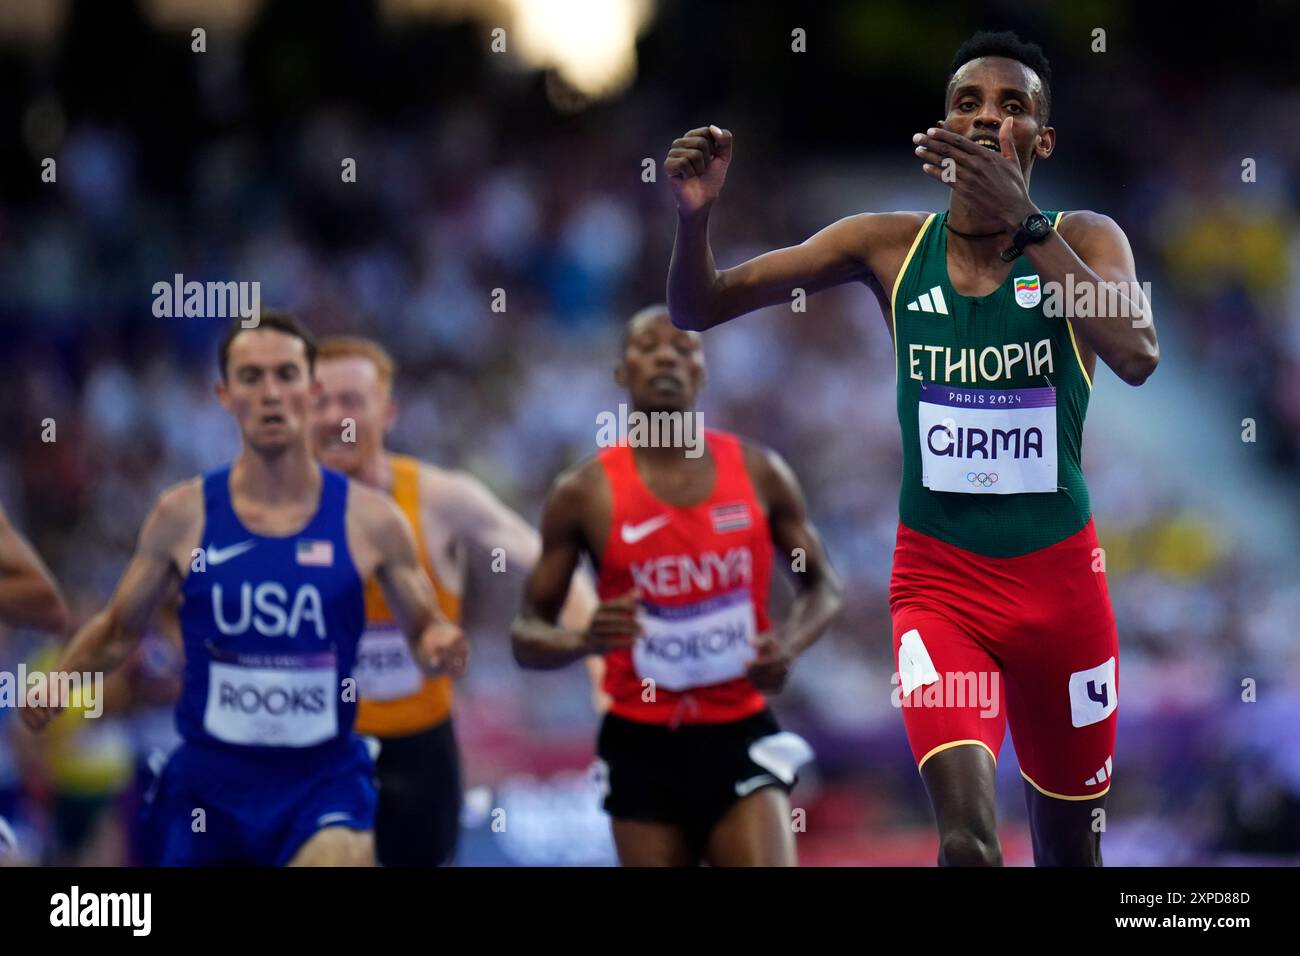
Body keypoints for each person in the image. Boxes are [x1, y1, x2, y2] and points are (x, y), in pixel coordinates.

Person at [663, 30, 1159, 866]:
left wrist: (1028, 221)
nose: (983, 118)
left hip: (1064, 598)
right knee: (967, 844)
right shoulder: (886, 245)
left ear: (1041, 141)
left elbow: (1138, 354)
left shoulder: (1087, 237)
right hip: (940, 592)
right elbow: (699, 306)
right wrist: (696, 215)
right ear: (942, 127)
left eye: (1011, 107)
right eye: (966, 102)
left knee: (1071, 855)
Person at [21, 310, 466, 866]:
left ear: (312, 391)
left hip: (321, 778)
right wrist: (59, 683)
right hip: (215, 784)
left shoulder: (371, 521)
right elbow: (116, 629)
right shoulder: (182, 516)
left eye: (286, 375)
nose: (271, 393)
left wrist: (437, 642)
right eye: (251, 378)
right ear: (225, 395)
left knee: (338, 855)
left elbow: (423, 624)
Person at [513, 306, 843, 866]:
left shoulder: (761, 473)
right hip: (641, 745)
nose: (666, 356)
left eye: (684, 348)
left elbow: (823, 588)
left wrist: (787, 644)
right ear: (622, 372)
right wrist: (584, 641)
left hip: (739, 730)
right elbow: (526, 634)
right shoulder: (583, 494)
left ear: (703, 372)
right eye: (647, 346)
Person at [310, 335, 597, 866]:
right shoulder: (269, 511)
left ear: (387, 412)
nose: (334, 417)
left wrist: (601, 661)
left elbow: (552, 564)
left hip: (420, 754)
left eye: (350, 401)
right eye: (319, 401)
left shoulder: (439, 499)